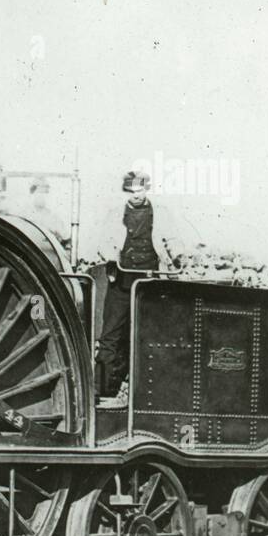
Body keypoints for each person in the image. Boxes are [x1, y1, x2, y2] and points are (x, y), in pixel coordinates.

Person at [93, 171, 160, 406]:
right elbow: (104, 241)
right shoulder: (116, 214)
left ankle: (144, 395)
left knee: (147, 337)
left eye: (139, 191)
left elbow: (171, 239)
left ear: (146, 190)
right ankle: (100, 392)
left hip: (149, 284)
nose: (136, 196)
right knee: (111, 335)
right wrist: (111, 256)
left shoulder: (160, 214)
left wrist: (179, 254)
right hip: (121, 281)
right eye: (131, 192)